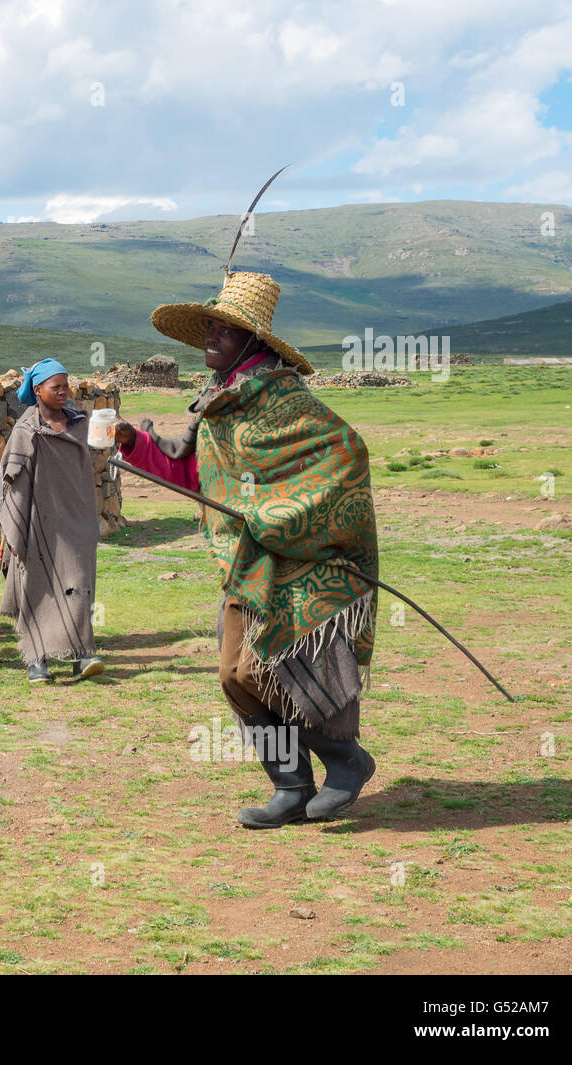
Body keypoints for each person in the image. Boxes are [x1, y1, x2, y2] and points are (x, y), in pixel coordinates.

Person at [148, 271, 379, 826]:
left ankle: (346, 763)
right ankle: (291, 786)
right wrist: (135, 445)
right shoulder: (218, 404)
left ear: (254, 341)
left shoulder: (285, 399)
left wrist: (273, 515)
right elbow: (194, 472)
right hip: (247, 565)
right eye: (209, 326)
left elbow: (346, 456)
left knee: (283, 668)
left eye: (224, 330)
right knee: (236, 675)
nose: (211, 337)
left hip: (306, 565)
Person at [0, 358, 103, 683]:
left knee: (79, 585)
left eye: (66, 385)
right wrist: (5, 512)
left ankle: (81, 655)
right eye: (57, 386)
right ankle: (37, 660)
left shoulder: (80, 423)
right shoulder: (26, 431)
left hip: (77, 517)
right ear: (38, 390)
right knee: (37, 586)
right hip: (39, 519)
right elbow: (7, 475)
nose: (64, 391)